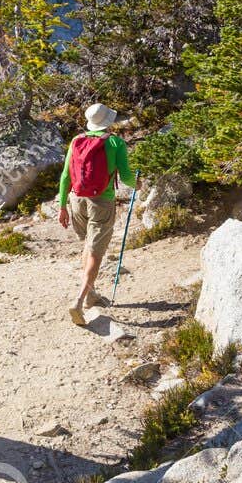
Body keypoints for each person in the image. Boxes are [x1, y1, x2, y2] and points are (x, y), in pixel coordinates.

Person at [56, 103, 136, 325]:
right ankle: (79, 300)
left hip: (76, 199)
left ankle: (91, 295)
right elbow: (127, 175)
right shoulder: (115, 142)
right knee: (95, 252)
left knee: (87, 245)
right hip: (101, 201)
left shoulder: (76, 140)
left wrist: (62, 206)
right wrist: (136, 184)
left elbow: (65, 176)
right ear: (108, 122)